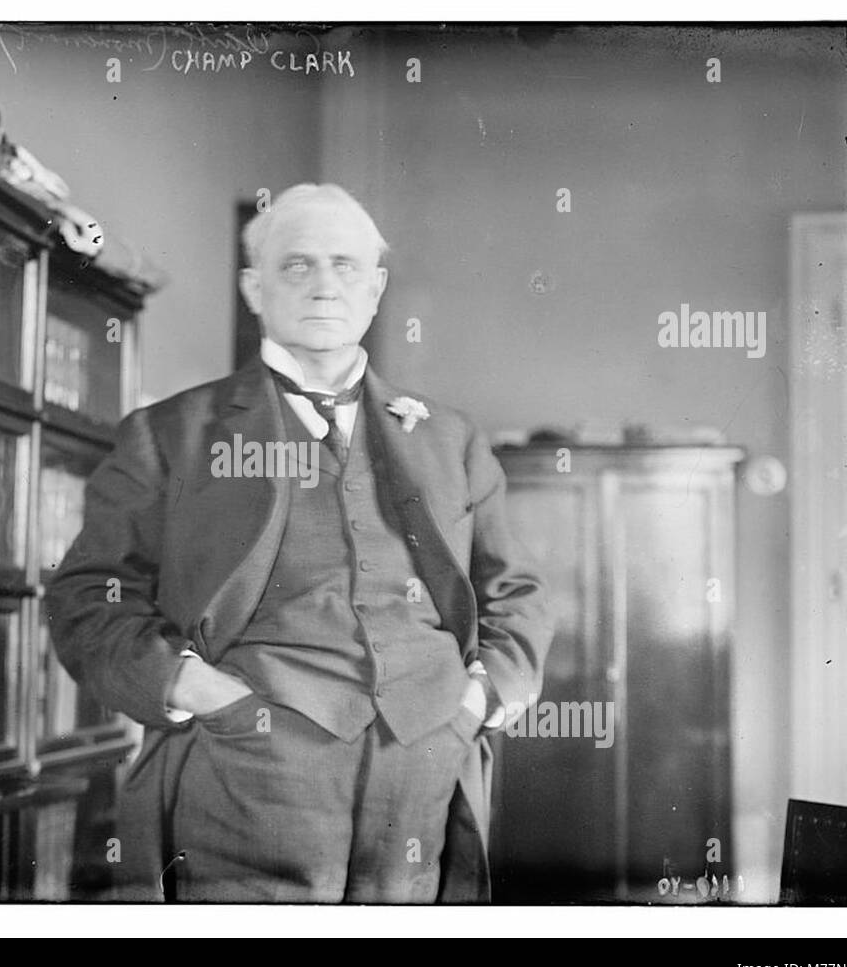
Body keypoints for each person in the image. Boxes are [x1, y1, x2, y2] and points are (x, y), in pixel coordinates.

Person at [47, 183, 552, 902]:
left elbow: (518, 594)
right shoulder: (171, 435)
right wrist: (200, 691)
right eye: (297, 265)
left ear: (375, 289)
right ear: (255, 288)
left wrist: (477, 700)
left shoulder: (451, 440)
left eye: (347, 266)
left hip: (427, 769)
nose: (324, 285)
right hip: (245, 778)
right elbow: (86, 600)